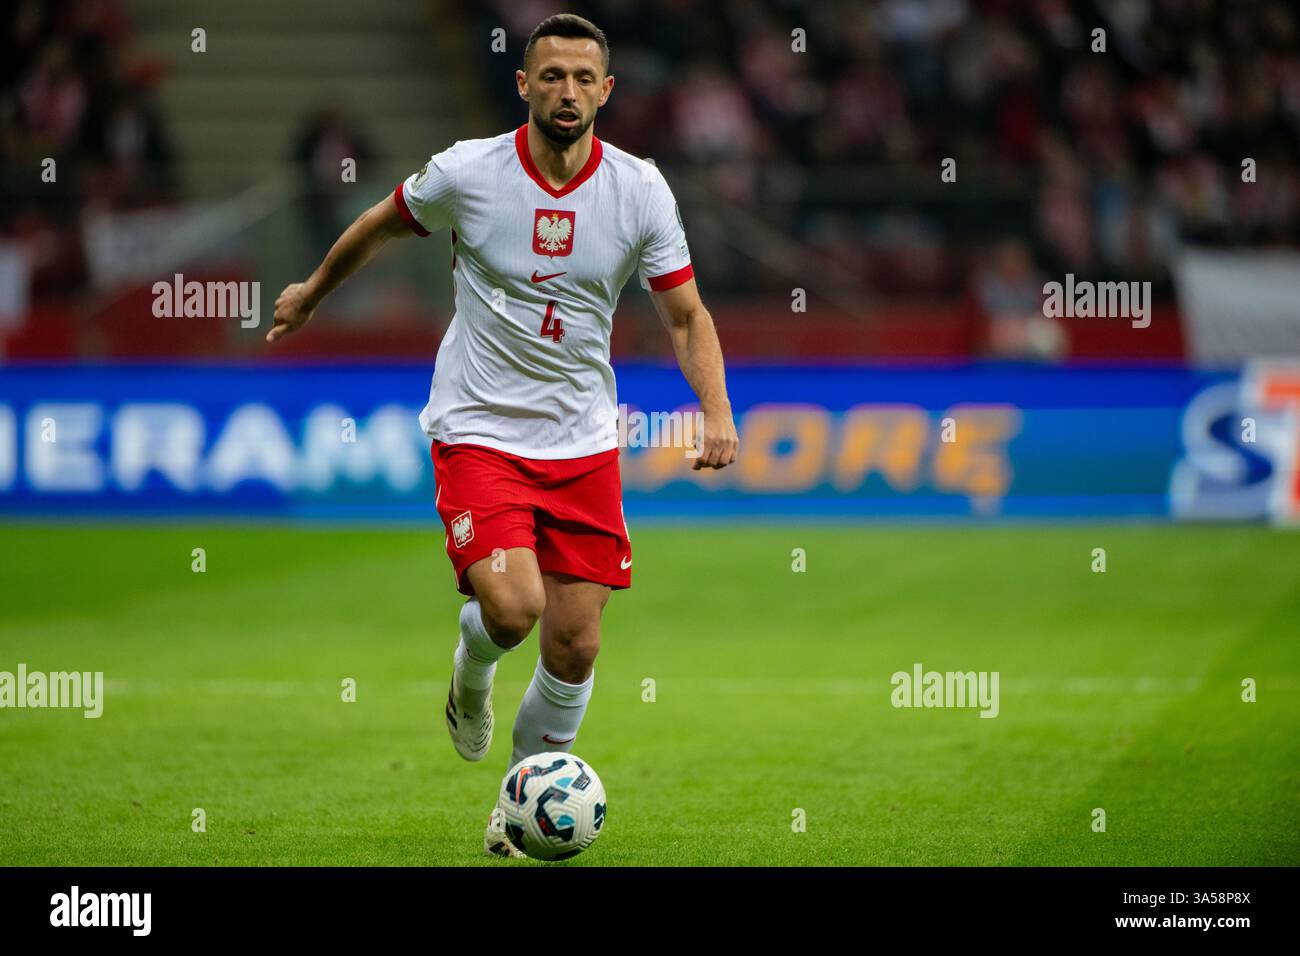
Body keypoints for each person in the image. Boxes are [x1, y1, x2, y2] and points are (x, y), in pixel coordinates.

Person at [267, 13, 738, 856]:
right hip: (479, 427)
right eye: (550, 75)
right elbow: (379, 222)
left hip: (584, 439)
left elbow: (685, 315)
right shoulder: (469, 172)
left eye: (582, 78)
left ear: (606, 91)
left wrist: (717, 411)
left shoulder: (639, 190)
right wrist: (309, 292)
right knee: (515, 611)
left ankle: (515, 813)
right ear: (523, 85)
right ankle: (471, 672)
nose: (566, 91)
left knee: (577, 638)